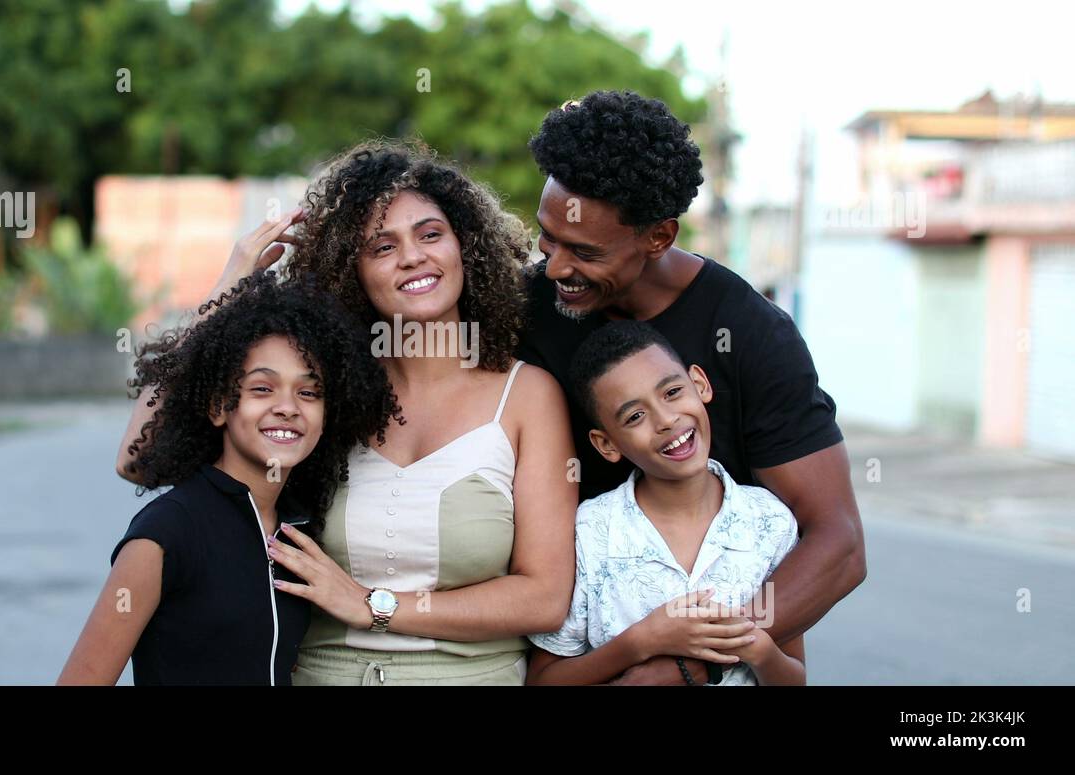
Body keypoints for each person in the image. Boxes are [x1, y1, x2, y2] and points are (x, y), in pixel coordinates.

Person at [116, 142, 578, 686]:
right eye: (381, 247)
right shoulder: (322, 392)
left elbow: (544, 596)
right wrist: (228, 289)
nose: (411, 257)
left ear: (465, 247)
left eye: (430, 234)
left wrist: (373, 604)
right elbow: (141, 458)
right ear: (350, 272)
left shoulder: (527, 396)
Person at [517, 90, 864, 685]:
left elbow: (838, 544)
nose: (554, 267)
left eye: (584, 251)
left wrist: (686, 666)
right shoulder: (527, 307)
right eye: (548, 238)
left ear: (658, 236)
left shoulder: (752, 334)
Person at [59, 272, 397, 685]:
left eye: (309, 393)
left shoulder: (301, 533)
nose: (288, 407)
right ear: (220, 406)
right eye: (262, 389)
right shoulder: (167, 531)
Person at [526, 320, 805, 686]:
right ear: (607, 444)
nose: (666, 420)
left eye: (672, 392)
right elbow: (543, 680)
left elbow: (795, 678)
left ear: (700, 384)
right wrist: (641, 641)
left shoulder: (769, 521)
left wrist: (758, 648)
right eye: (635, 416)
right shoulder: (590, 532)